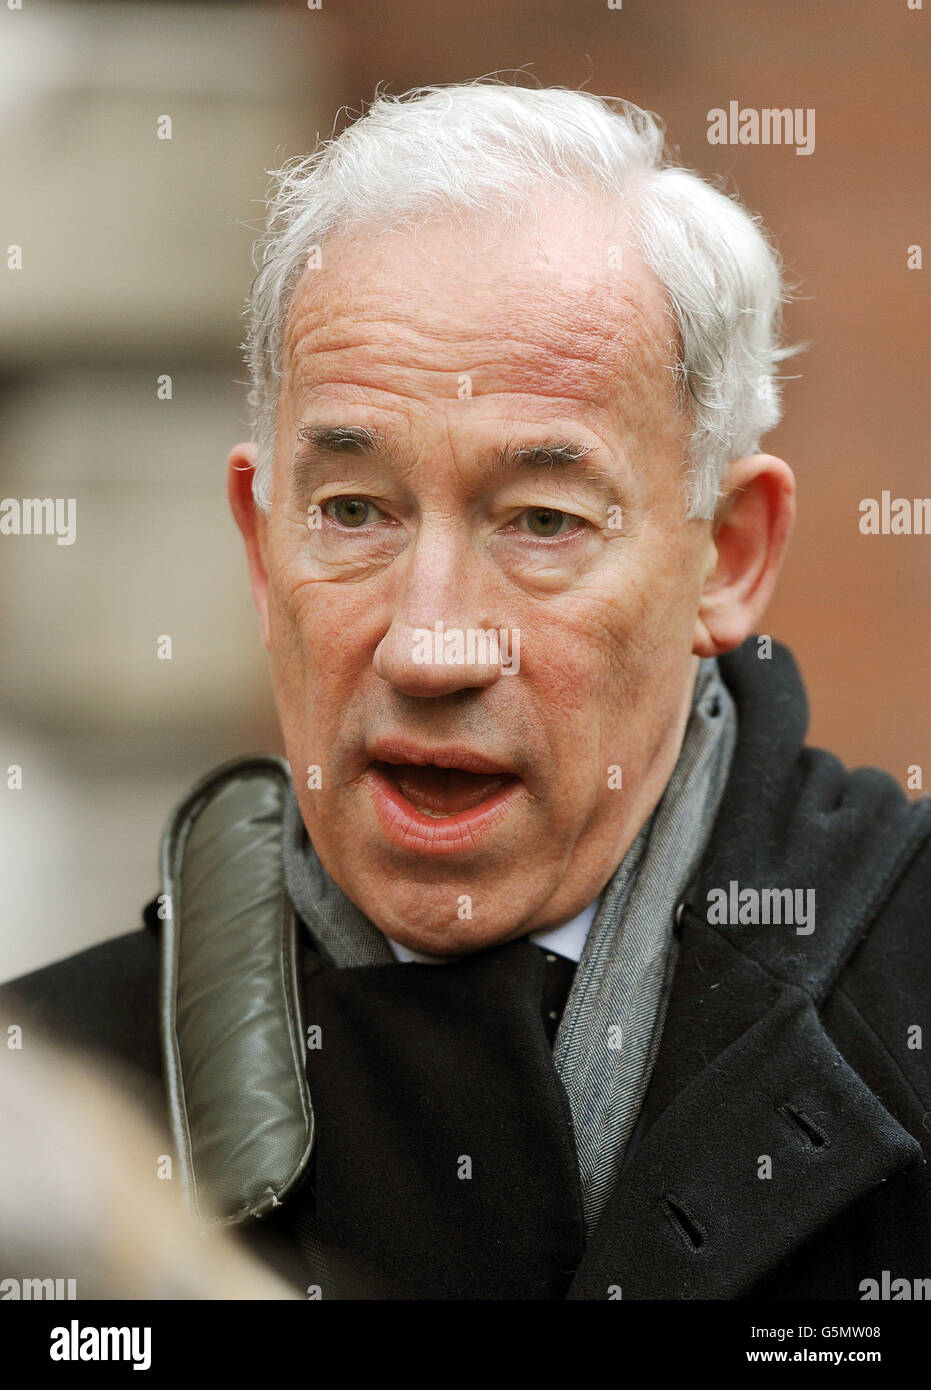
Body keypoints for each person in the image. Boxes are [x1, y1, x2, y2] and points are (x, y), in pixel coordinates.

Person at [2, 81, 929, 1301]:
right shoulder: (53, 1122)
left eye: (542, 520)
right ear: (258, 538)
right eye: (352, 511)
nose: (429, 647)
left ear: (729, 554)